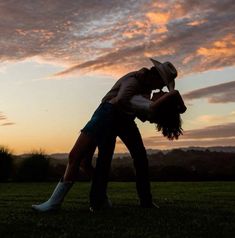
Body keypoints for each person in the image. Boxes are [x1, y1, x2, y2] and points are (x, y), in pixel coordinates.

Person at [32, 59, 185, 212]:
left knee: (130, 158)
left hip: (121, 118)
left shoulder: (146, 91)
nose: (161, 89)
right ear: (156, 78)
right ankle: (96, 200)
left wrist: (159, 106)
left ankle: (96, 201)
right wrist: (169, 97)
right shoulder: (133, 81)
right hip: (108, 114)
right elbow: (121, 101)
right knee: (86, 159)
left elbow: (144, 112)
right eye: (162, 84)